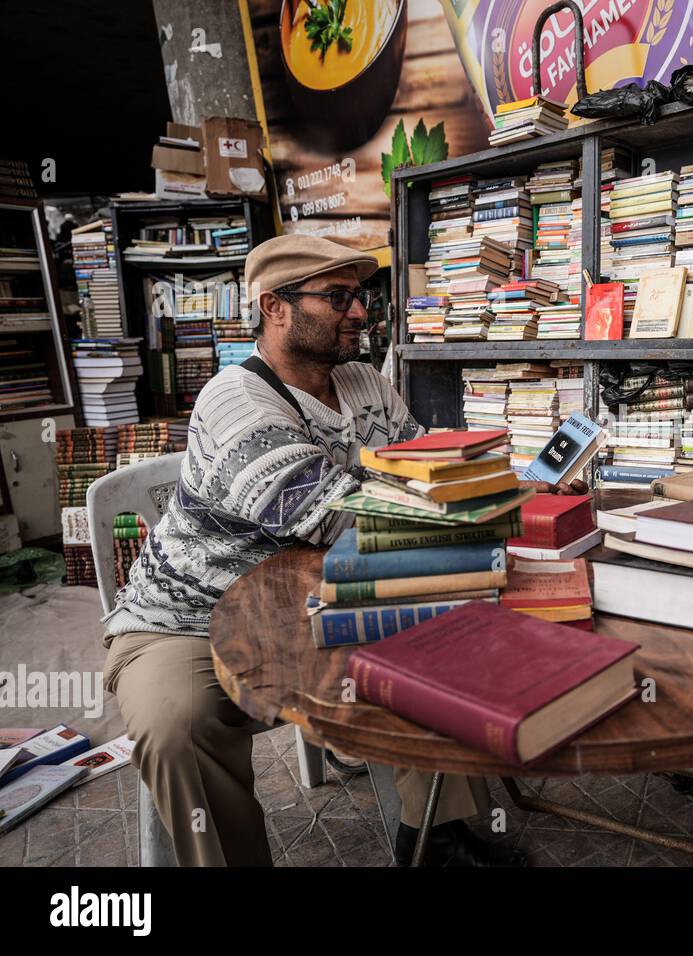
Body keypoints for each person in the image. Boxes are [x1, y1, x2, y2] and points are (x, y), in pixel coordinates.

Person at [101, 234, 584, 866]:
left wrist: (517, 487)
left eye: (359, 296)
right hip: (187, 621)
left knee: (447, 633)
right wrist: (477, 509)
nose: (360, 312)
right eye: (337, 297)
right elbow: (333, 515)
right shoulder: (234, 399)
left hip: (325, 596)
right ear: (274, 307)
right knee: (177, 724)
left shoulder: (365, 383)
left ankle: (437, 836)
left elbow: (424, 473)